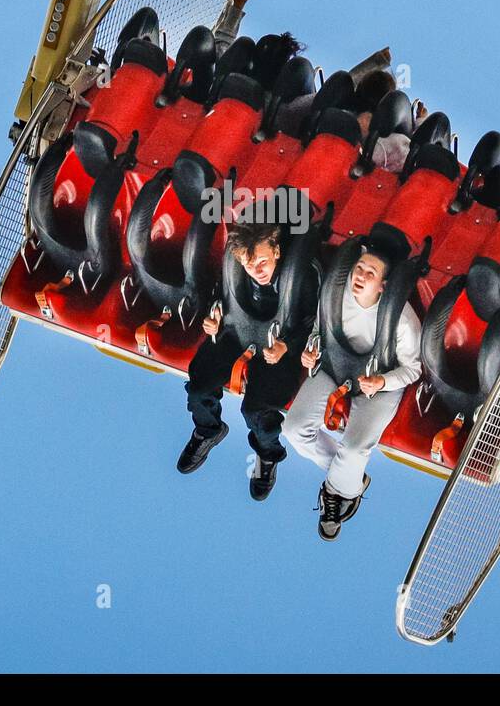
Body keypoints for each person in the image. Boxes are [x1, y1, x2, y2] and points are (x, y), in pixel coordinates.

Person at [283, 241, 421, 540]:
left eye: (369, 273)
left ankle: (338, 490)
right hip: (334, 368)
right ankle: (350, 481)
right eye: (358, 268)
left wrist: (383, 382)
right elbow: (320, 331)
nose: (359, 275)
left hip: (379, 382)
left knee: (356, 449)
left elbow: (414, 369)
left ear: (383, 286)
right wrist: (311, 351)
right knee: (293, 429)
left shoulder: (402, 319)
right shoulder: (335, 293)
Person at [176, 218, 317, 500]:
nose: (257, 271)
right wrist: (214, 316)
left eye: (262, 262)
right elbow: (222, 293)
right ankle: (208, 429)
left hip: (279, 346)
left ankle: (268, 455)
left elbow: (314, 320)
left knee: (255, 412)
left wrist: (287, 347)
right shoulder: (241, 269)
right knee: (199, 386)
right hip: (239, 332)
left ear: (276, 252)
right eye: (249, 265)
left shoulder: (303, 276)